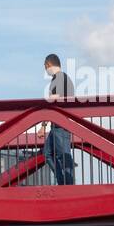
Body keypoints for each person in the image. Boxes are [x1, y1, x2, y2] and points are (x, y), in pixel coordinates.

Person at [37, 54, 76, 185]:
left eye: (45, 66)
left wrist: (43, 125)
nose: (45, 69)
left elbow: (54, 100)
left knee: (62, 156)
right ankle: (63, 181)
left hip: (61, 125)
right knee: (48, 153)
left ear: (48, 64)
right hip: (56, 125)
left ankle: (68, 185)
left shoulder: (60, 77)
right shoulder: (60, 78)